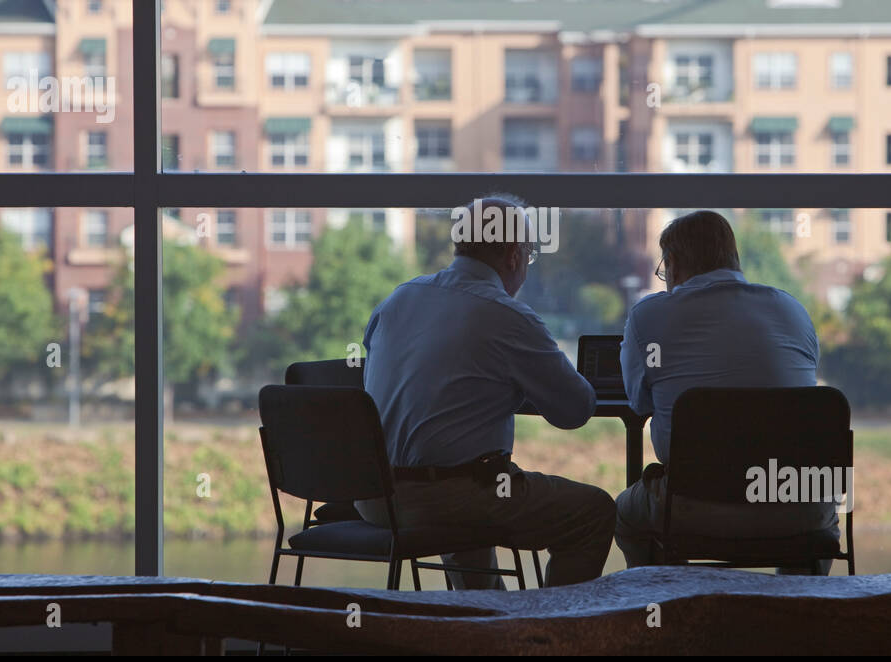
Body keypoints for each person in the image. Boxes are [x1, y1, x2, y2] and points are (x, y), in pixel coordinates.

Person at [356, 193, 615, 588]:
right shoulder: (506, 315)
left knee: (477, 479)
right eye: (528, 256)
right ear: (513, 255)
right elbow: (575, 410)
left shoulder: (399, 298)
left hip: (372, 496)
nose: (525, 267)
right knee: (592, 512)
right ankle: (552, 634)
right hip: (446, 498)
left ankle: (489, 629)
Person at [616, 210, 840, 571]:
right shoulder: (792, 310)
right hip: (796, 507)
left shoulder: (649, 316)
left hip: (692, 507)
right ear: (733, 258)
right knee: (816, 516)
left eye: (664, 270)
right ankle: (801, 612)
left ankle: (670, 610)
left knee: (627, 516)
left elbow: (639, 402)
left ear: (672, 264)